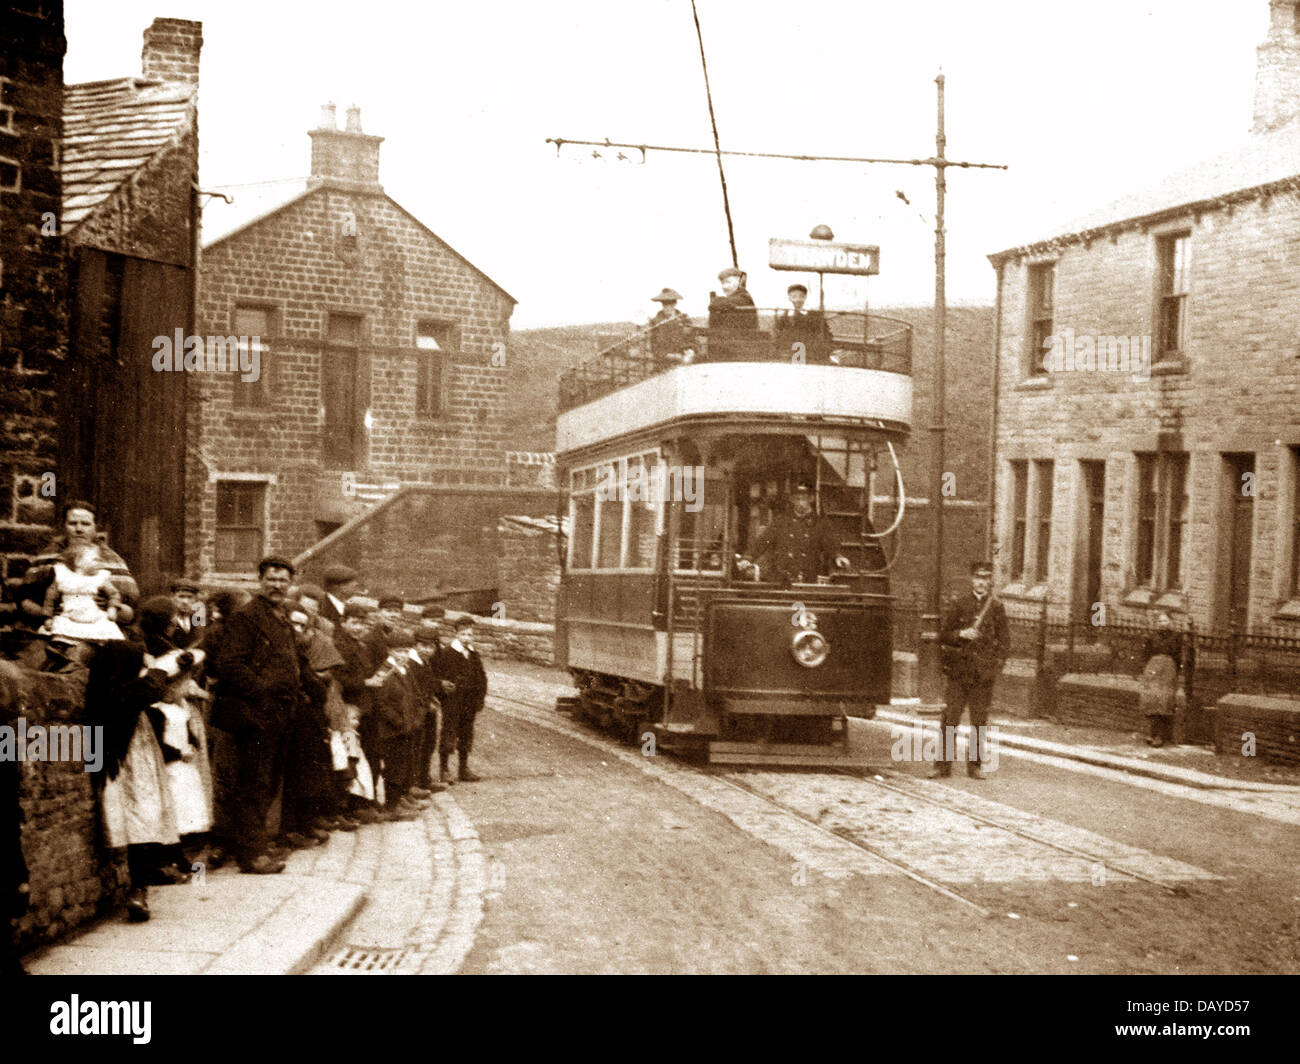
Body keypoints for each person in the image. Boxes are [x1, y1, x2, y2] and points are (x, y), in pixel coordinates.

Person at [212, 556, 323, 874]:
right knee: (253, 783)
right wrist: (262, 693)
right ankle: (251, 855)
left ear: (291, 583)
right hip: (255, 715)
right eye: (271, 579)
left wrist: (310, 687)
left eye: (282, 580)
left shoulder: (282, 616)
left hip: (279, 715)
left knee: (268, 782)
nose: (276, 585)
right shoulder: (247, 616)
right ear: (260, 581)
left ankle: (257, 845)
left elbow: (293, 660)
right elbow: (230, 664)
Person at [935, 561, 1009, 779]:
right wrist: (961, 634)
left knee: (979, 722)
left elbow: (1005, 641)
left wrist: (995, 667)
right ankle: (941, 766)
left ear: (990, 581)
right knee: (950, 719)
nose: (982, 582)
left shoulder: (996, 607)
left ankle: (975, 767)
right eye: (978, 578)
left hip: (982, 675)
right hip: (959, 672)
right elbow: (944, 634)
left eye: (986, 578)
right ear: (972, 580)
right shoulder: (960, 604)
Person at [19, 501, 138, 632]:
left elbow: (130, 613)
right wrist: (48, 613)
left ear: (95, 528)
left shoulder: (113, 560)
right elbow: (24, 602)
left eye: (86, 524)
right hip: (57, 627)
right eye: (73, 523)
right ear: (64, 526)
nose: (79, 529)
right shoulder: (47, 557)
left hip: (99, 628)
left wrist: (111, 608)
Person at [736, 481, 850, 585]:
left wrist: (838, 557)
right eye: (797, 499)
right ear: (792, 500)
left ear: (811, 499)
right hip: (782, 578)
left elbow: (830, 545)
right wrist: (747, 558)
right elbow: (762, 542)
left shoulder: (820, 524)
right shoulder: (781, 521)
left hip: (807, 580)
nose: (800, 503)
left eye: (804, 499)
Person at [40, 542, 125, 643]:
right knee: (59, 631)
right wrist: (47, 617)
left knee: (104, 631)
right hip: (68, 617)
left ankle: (94, 647)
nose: (100, 563)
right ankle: (63, 647)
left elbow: (114, 594)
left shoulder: (100, 577)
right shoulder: (63, 576)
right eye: (95, 559)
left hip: (93, 617)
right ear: (78, 562)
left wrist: (112, 608)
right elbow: (50, 598)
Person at [439, 615, 488, 784]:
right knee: (449, 732)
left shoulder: (473, 654)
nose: (467, 638)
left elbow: (482, 677)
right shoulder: (448, 652)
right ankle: (444, 768)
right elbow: (442, 676)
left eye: (470, 634)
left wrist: (480, 697)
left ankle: (463, 768)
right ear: (456, 634)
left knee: (466, 733)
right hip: (453, 701)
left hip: (469, 701)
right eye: (463, 634)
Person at [1141, 612, 1192, 747]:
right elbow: (1146, 654)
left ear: (1170, 622)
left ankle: (1160, 736)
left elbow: (1178, 656)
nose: (1162, 623)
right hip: (1152, 670)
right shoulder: (1152, 636)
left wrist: (1177, 672)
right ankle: (1151, 733)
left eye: (1165, 621)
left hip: (1168, 670)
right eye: (1160, 621)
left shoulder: (1177, 637)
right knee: (1152, 700)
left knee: (1164, 702)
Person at [706, 267, 758, 361]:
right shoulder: (733, 298)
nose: (725, 286)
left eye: (728, 282)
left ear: (739, 282)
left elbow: (713, 305)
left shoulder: (743, 298)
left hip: (741, 351)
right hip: (732, 348)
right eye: (723, 283)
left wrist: (716, 300)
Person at [774, 283, 833, 364]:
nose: (798, 299)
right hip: (790, 354)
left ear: (805, 297)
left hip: (810, 354)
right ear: (789, 298)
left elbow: (825, 334)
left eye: (801, 296)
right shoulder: (785, 316)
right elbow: (778, 335)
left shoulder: (814, 315)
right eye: (794, 296)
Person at [647, 287, 694, 364]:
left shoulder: (684, 320)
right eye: (665, 304)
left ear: (675, 303)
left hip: (684, 361)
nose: (668, 307)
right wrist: (674, 356)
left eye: (670, 303)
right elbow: (655, 348)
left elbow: (692, 340)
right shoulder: (656, 322)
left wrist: (691, 351)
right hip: (663, 363)